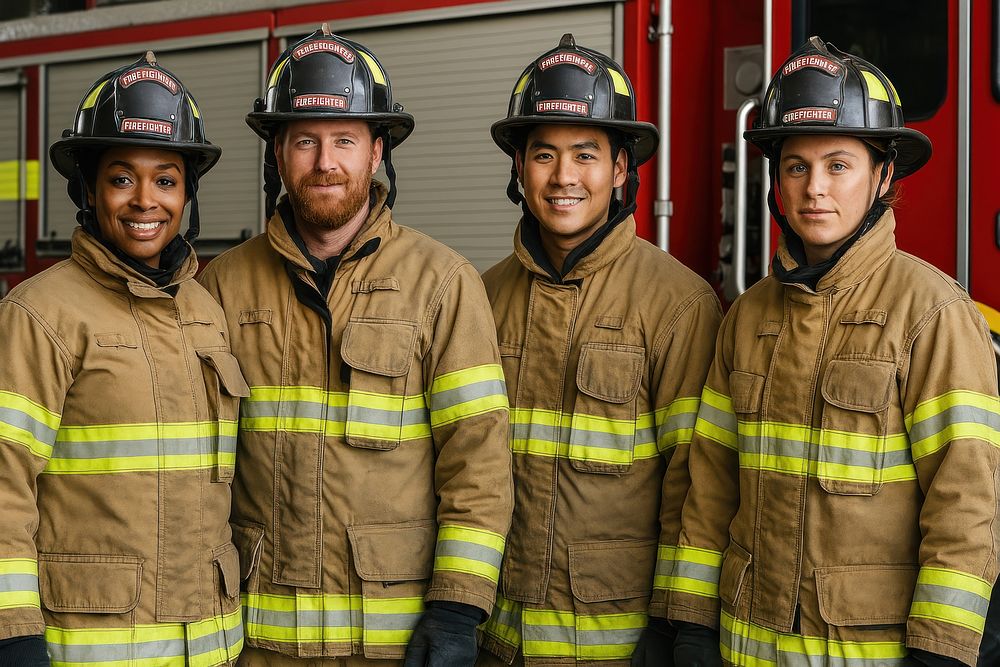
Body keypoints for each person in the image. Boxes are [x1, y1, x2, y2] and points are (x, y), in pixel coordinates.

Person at [665, 37, 1000, 667]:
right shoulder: (747, 316)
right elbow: (708, 487)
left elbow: (966, 507)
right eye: (797, 167)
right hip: (744, 648)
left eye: (838, 165)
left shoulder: (934, 315)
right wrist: (690, 626)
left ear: (882, 176)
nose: (815, 188)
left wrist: (941, 653)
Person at [197, 25, 514, 666]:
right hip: (260, 644)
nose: (325, 162)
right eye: (305, 141)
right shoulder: (222, 286)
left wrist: (457, 611)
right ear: (278, 155)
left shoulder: (442, 283)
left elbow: (477, 461)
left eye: (345, 140)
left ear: (377, 153)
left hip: (393, 647)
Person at [476, 34, 722, 666]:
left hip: (619, 647)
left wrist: (678, 630)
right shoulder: (478, 298)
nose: (563, 177)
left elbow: (696, 487)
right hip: (498, 643)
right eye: (543, 155)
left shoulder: (679, 306)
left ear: (619, 169)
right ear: (517, 168)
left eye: (586, 155)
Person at [0, 52, 246, 666]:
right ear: (89, 187)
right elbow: (4, 486)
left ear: (187, 192)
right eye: (121, 178)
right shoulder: (39, 314)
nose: (145, 201)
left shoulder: (204, 309)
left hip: (209, 646)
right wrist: (14, 633)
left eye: (165, 179)